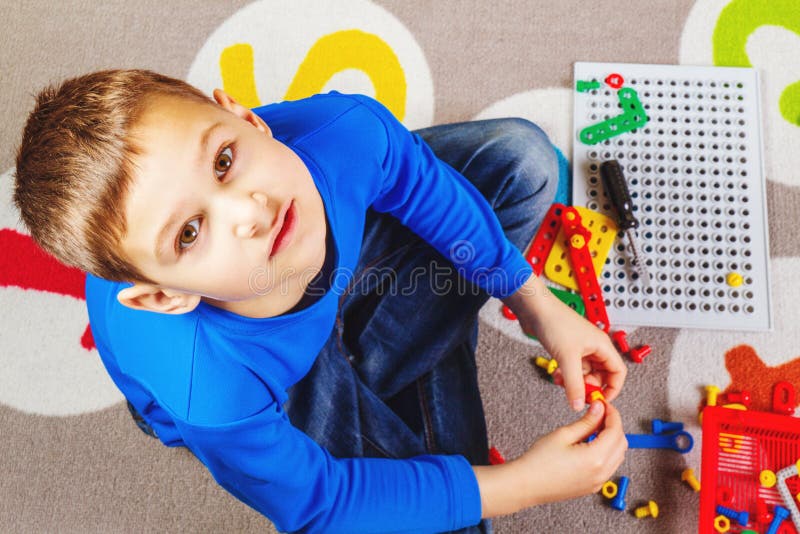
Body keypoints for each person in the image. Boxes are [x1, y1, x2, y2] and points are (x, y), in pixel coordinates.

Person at [13, 69, 627, 533]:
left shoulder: (340, 132)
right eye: (190, 232)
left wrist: (541, 307)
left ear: (248, 118)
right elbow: (319, 503)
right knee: (449, 515)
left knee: (524, 161)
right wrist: (522, 486)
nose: (251, 210)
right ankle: (395, 367)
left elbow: (425, 187)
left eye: (224, 161)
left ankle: (376, 370)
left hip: (337, 278)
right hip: (272, 383)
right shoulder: (214, 393)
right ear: (166, 296)